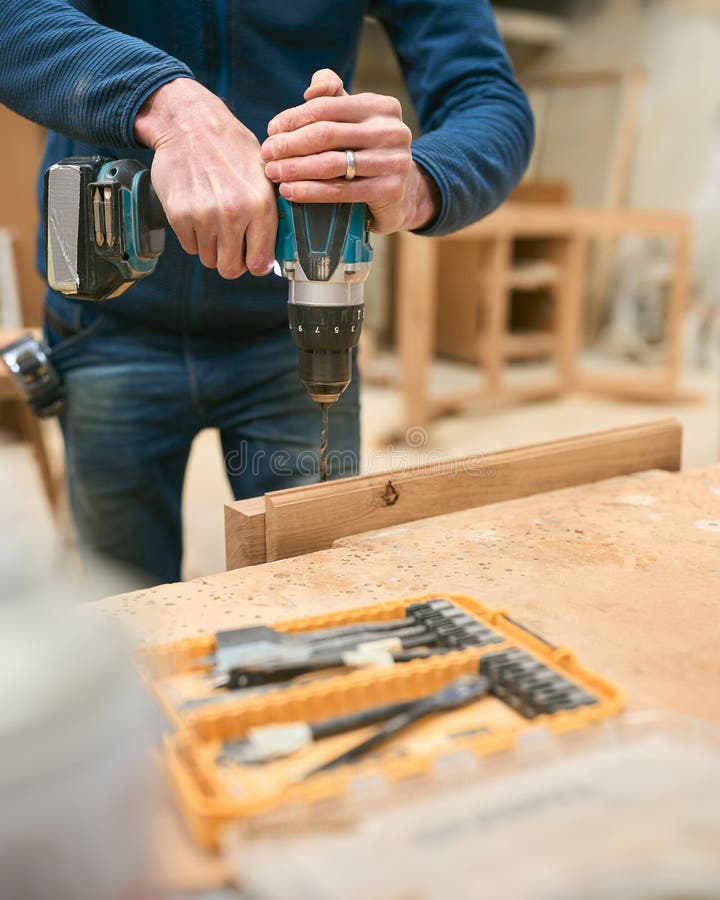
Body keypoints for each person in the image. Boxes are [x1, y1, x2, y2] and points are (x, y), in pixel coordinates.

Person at [0, 0, 533, 586]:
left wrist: (423, 181)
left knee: (319, 589)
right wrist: (163, 101)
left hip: (289, 337)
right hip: (109, 325)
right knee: (123, 610)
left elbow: (490, 98)